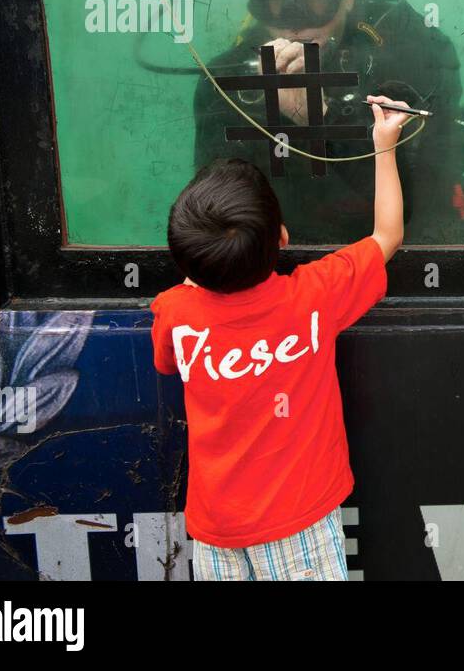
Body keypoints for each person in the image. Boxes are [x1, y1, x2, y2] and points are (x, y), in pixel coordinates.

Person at [152, 95, 409, 580]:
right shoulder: (311, 297)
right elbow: (386, 235)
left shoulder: (176, 312)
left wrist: (195, 283)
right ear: (284, 238)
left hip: (216, 531)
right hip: (303, 524)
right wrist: (384, 144)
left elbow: (168, 362)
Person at [193, 0, 464, 244]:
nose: (295, 19)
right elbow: (215, 217)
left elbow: (425, 190)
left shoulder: (410, 51)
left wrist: (324, 116)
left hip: (406, 247)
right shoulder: (225, 80)